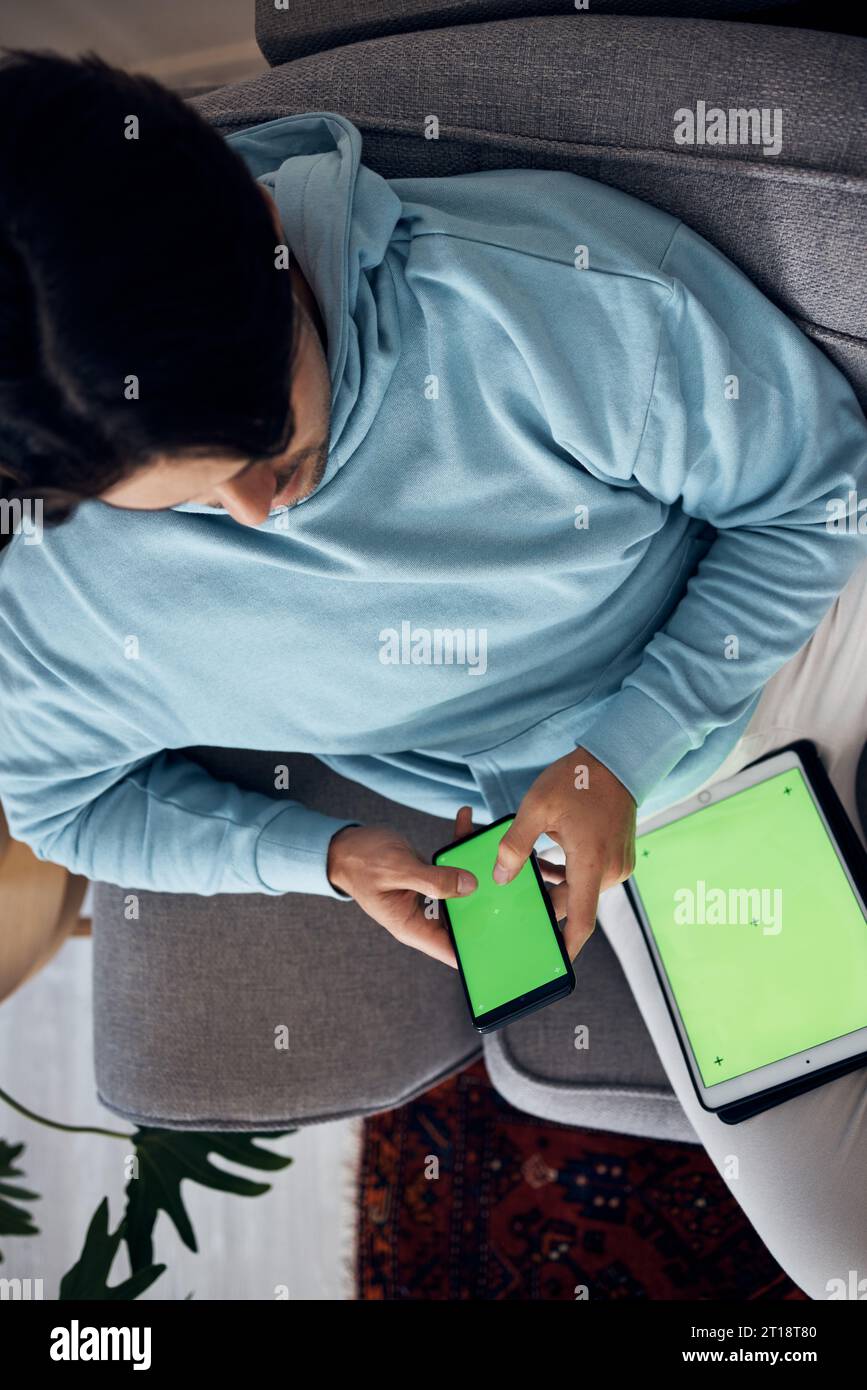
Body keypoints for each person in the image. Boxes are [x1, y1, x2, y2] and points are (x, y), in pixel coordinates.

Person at [1, 51, 866, 1296]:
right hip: (665, 831)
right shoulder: (55, 597)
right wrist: (326, 858)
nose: (258, 513)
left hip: (794, 629)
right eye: (191, 500)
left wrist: (619, 746)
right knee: (841, 1254)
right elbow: (59, 809)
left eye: (269, 441)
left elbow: (822, 499)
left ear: (257, 227)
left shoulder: (545, 304)